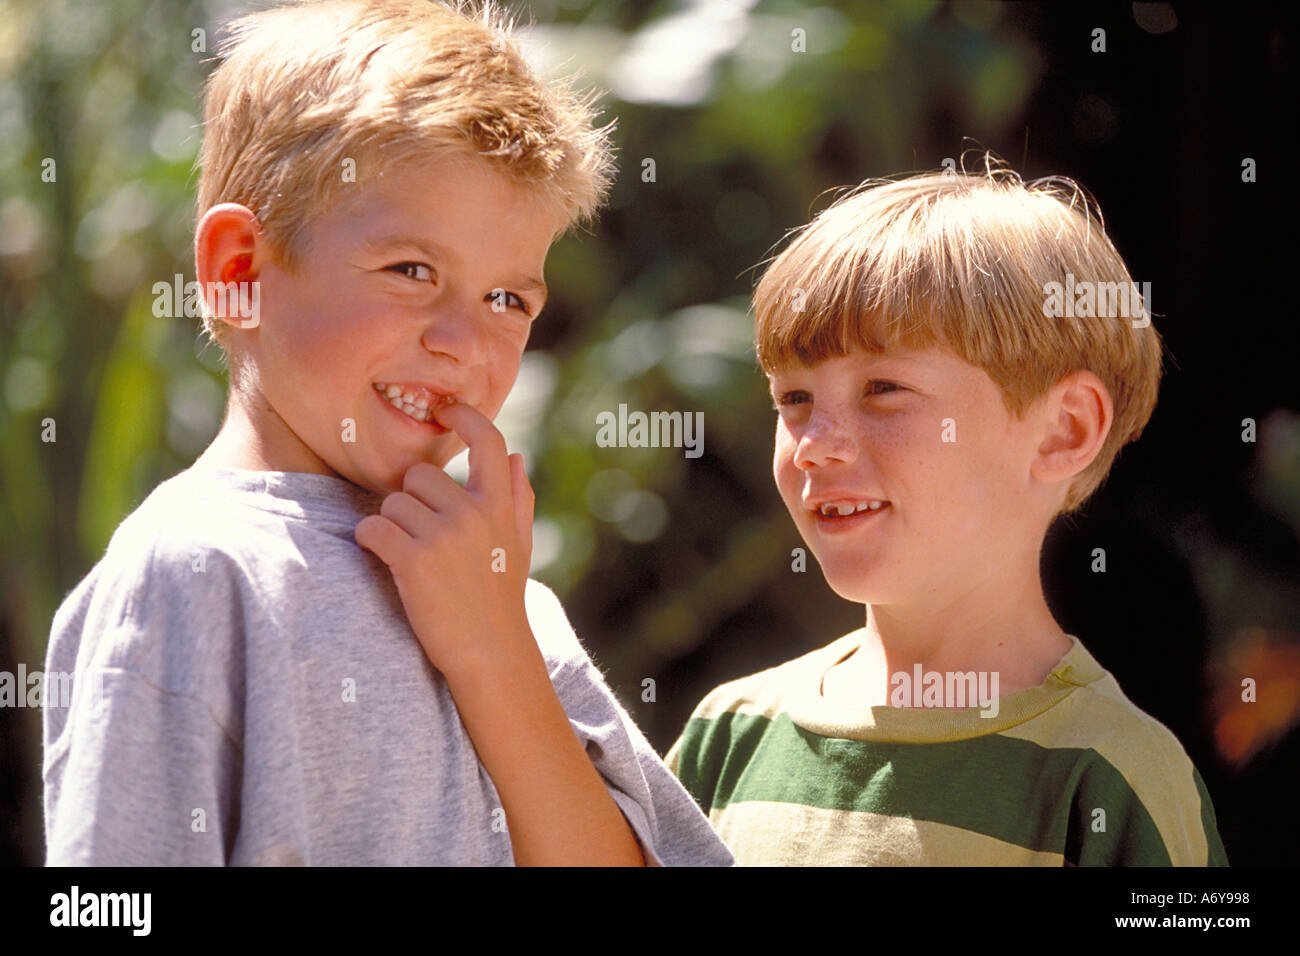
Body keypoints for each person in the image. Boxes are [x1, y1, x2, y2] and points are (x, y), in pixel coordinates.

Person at [43, 0, 732, 867]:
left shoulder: (504, 597)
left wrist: (494, 654)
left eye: (507, 299)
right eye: (412, 269)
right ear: (239, 272)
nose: (465, 343)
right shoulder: (193, 575)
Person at [667, 162, 1227, 866]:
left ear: (1064, 431)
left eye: (883, 389)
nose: (814, 445)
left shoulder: (1113, 779)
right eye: (795, 399)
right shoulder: (728, 735)